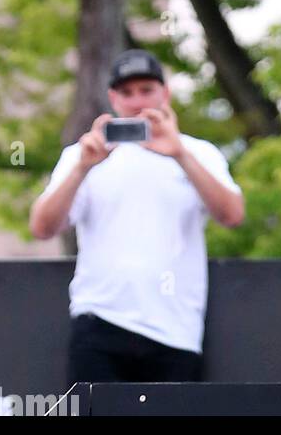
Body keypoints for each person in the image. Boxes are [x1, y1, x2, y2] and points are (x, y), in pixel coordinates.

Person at [29, 50, 245, 385]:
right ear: (112, 98)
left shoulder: (198, 152)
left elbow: (232, 215)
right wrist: (84, 167)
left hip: (176, 329)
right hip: (99, 320)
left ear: (165, 93)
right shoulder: (83, 155)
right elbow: (42, 227)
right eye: (126, 93)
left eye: (146, 90)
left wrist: (179, 154)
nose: (137, 101)